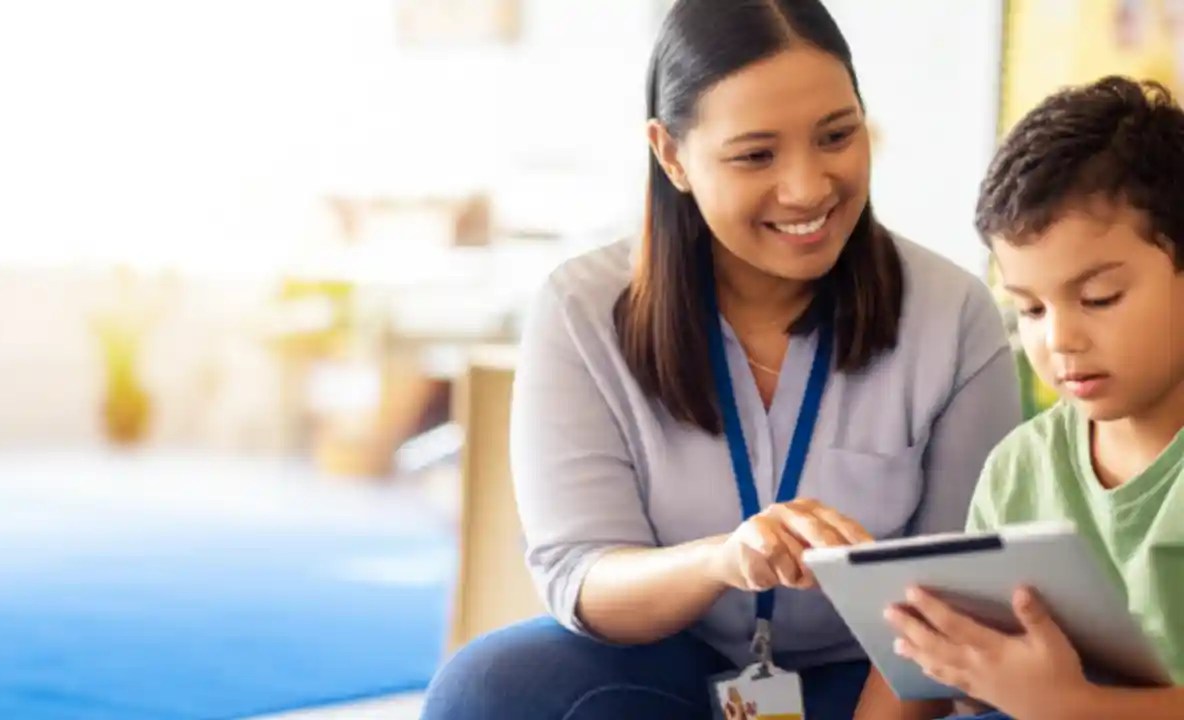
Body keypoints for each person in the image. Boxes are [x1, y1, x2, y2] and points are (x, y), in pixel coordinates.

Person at [421, 1, 1021, 718]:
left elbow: (948, 602)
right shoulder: (582, 310)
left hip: (869, 681)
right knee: (492, 688)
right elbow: (583, 578)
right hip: (669, 669)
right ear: (671, 155)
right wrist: (722, 559)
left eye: (837, 136)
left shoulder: (952, 315)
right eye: (755, 155)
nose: (808, 189)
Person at [861, 76, 1184, 720]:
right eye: (1030, 308)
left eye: (1099, 299)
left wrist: (1071, 706)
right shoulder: (1019, 467)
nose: (1060, 337)